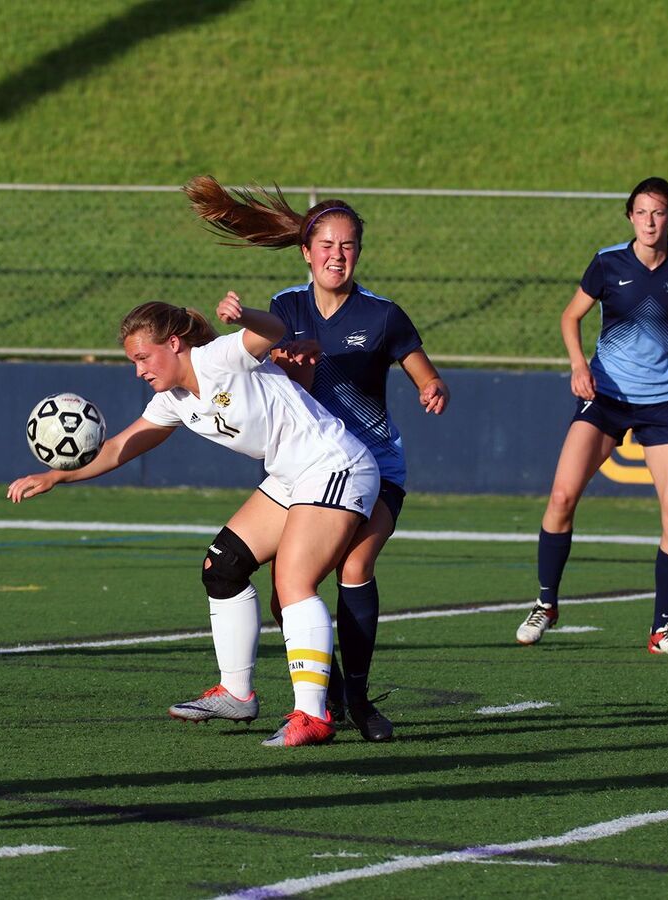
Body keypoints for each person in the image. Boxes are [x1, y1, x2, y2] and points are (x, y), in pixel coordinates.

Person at [8, 296, 381, 747]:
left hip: (335, 464)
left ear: (174, 343)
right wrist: (55, 476)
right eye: (133, 362)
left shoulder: (217, 357)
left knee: (293, 581)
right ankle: (236, 693)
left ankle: (312, 715)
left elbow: (275, 330)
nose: (139, 370)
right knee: (222, 567)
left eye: (143, 357)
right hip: (291, 475)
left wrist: (243, 317)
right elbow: (117, 447)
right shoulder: (172, 399)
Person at [183, 176, 449, 740]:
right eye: (326, 245)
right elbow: (272, 375)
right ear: (306, 252)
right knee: (287, 585)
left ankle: (357, 699)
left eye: (348, 245)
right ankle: (317, 691)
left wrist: (433, 388)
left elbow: (423, 371)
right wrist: (293, 361)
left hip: (373, 465)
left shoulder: (382, 315)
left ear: (359, 252)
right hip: (306, 466)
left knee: (354, 568)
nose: (337, 255)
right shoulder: (286, 306)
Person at [514, 176, 668, 655]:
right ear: (630, 217)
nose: (649, 221)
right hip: (605, 397)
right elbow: (569, 316)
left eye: (659, 212)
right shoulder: (608, 262)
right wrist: (579, 365)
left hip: (663, 404)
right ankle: (546, 603)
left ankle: (662, 628)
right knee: (561, 496)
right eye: (641, 212)